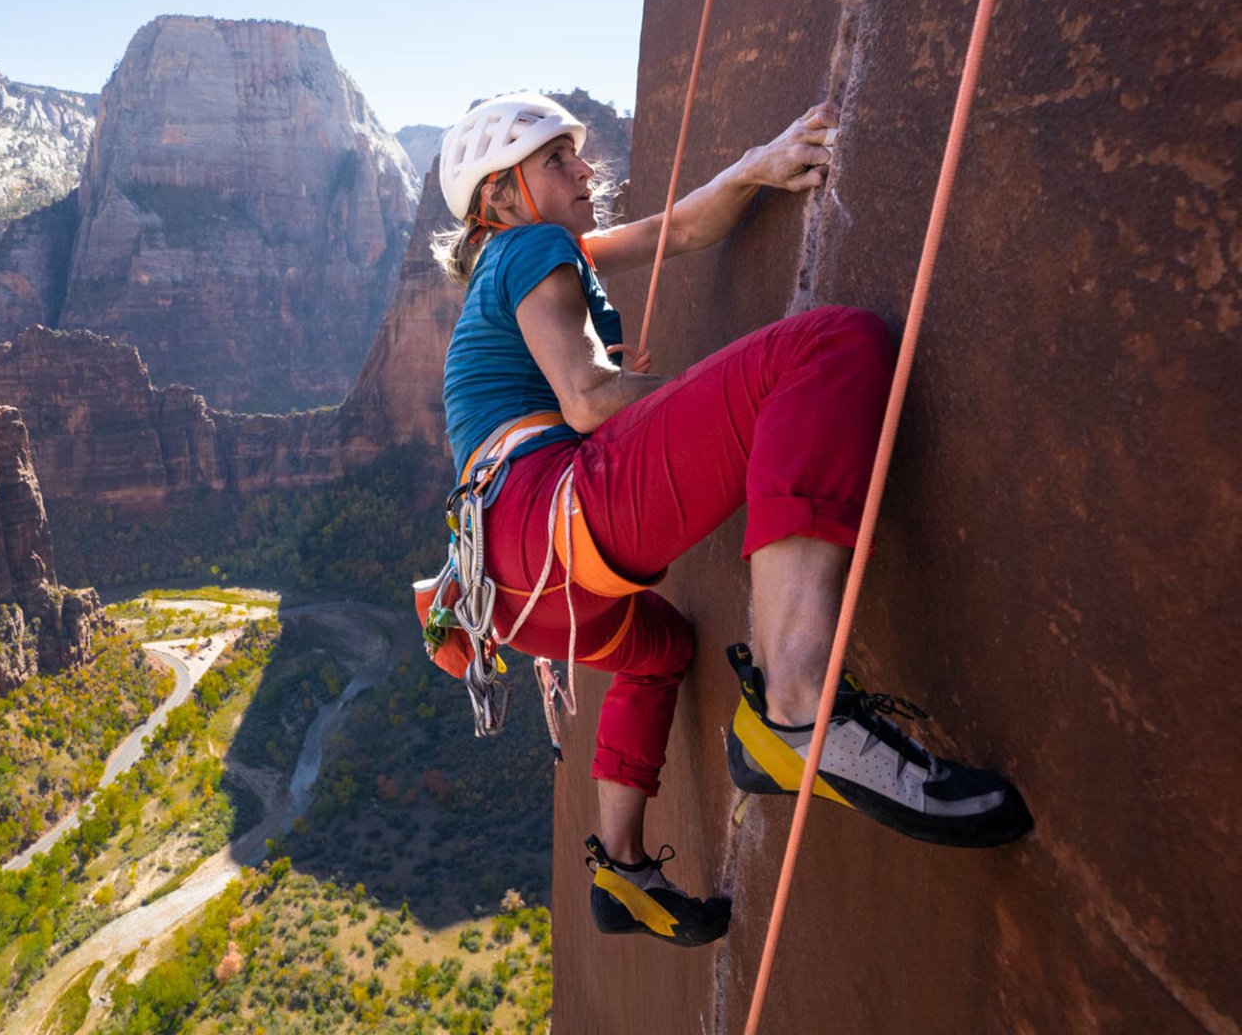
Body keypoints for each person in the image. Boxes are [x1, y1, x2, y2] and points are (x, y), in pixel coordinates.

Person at [433, 93, 1030, 948]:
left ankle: (623, 868)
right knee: (825, 352)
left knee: (664, 650)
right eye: (556, 158)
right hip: (550, 516)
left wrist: (758, 163)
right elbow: (590, 396)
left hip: (519, 588)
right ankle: (794, 706)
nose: (583, 168)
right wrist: (728, 402)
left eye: (577, 152)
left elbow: (673, 229)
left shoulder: (532, 256)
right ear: (501, 198)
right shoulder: (532, 247)